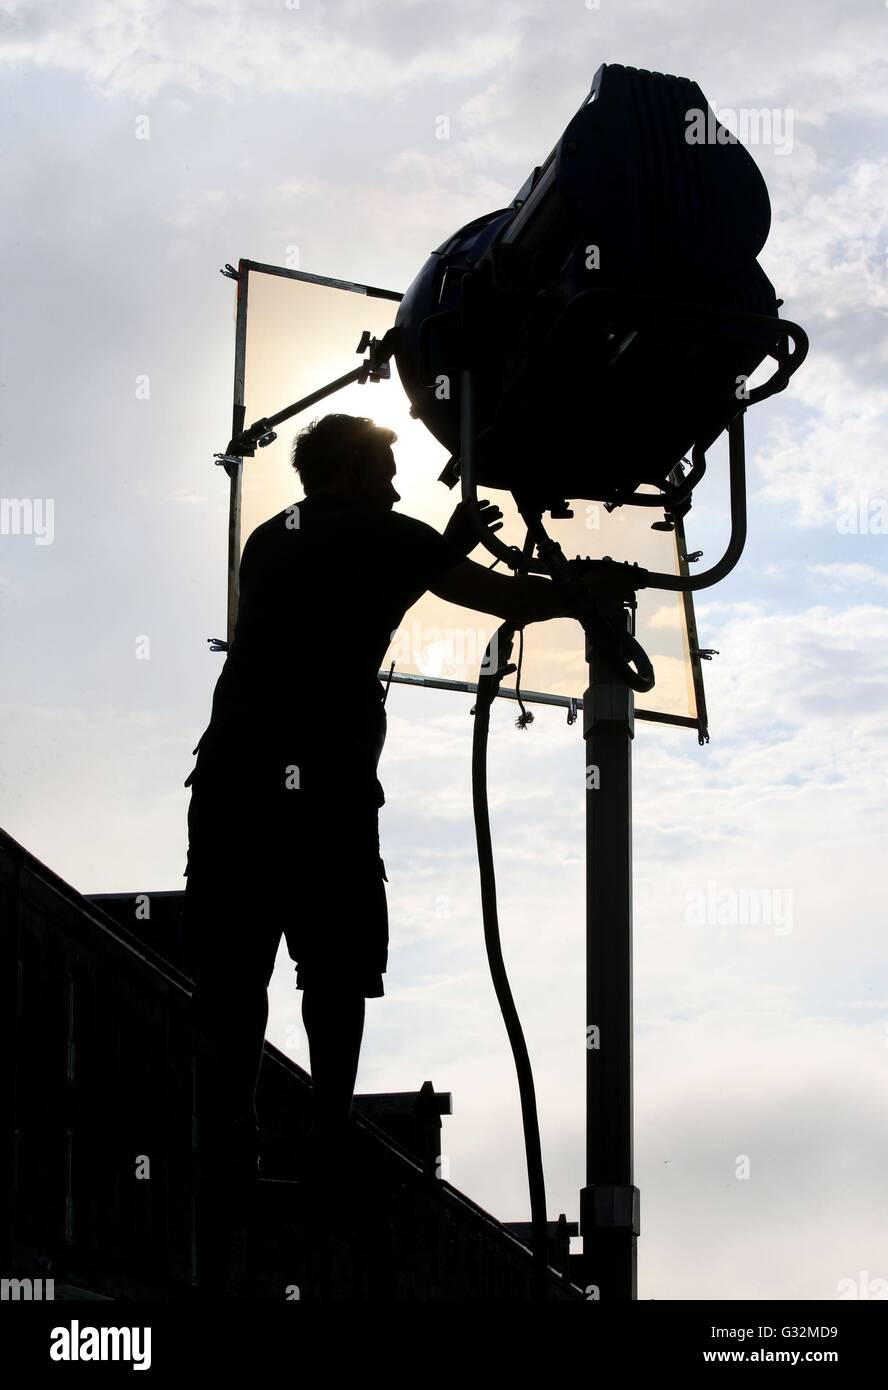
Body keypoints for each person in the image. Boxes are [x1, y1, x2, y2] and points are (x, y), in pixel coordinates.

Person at [184, 412, 607, 1210]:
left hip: (233, 786)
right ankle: (326, 1146)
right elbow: (498, 597)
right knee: (336, 972)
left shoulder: (273, 537)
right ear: (346, 474)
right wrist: (587, 596)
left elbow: (357, 587)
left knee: (236, 975)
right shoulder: (387, 536)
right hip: (323, 796)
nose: (394, 488)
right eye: (382, 474)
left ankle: (230, 1151)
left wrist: (439, 549)